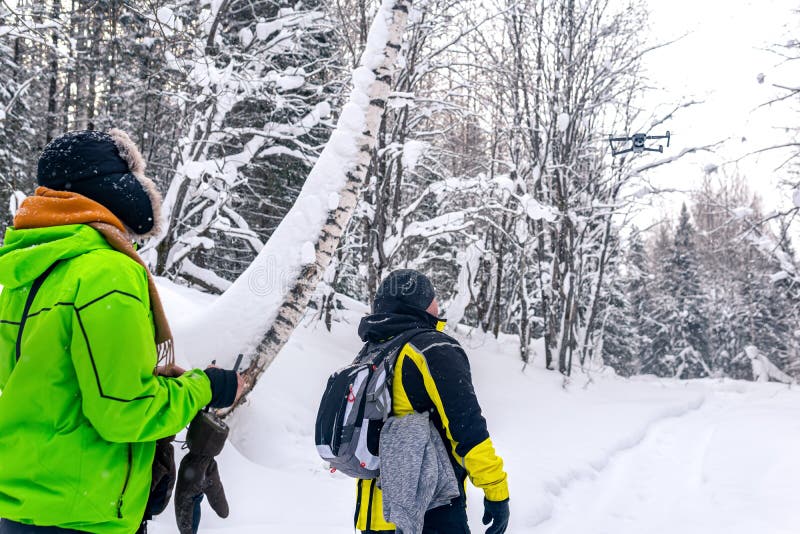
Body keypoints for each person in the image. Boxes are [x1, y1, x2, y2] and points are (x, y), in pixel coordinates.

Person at [0, 129, 242, 533]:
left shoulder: (30, 270)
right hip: (83, 514)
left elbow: (46, 388)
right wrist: (206, 386)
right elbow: (125, 411)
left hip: (24, 505)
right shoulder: (107, 272)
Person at [355, 270, 510, 534]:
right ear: (419, 304)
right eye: (433, 298)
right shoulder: (431, 347)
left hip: (375, 514)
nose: (438, 305)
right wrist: (495, 489)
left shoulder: (373, 352)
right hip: (430, 511)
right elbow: (466, 426)